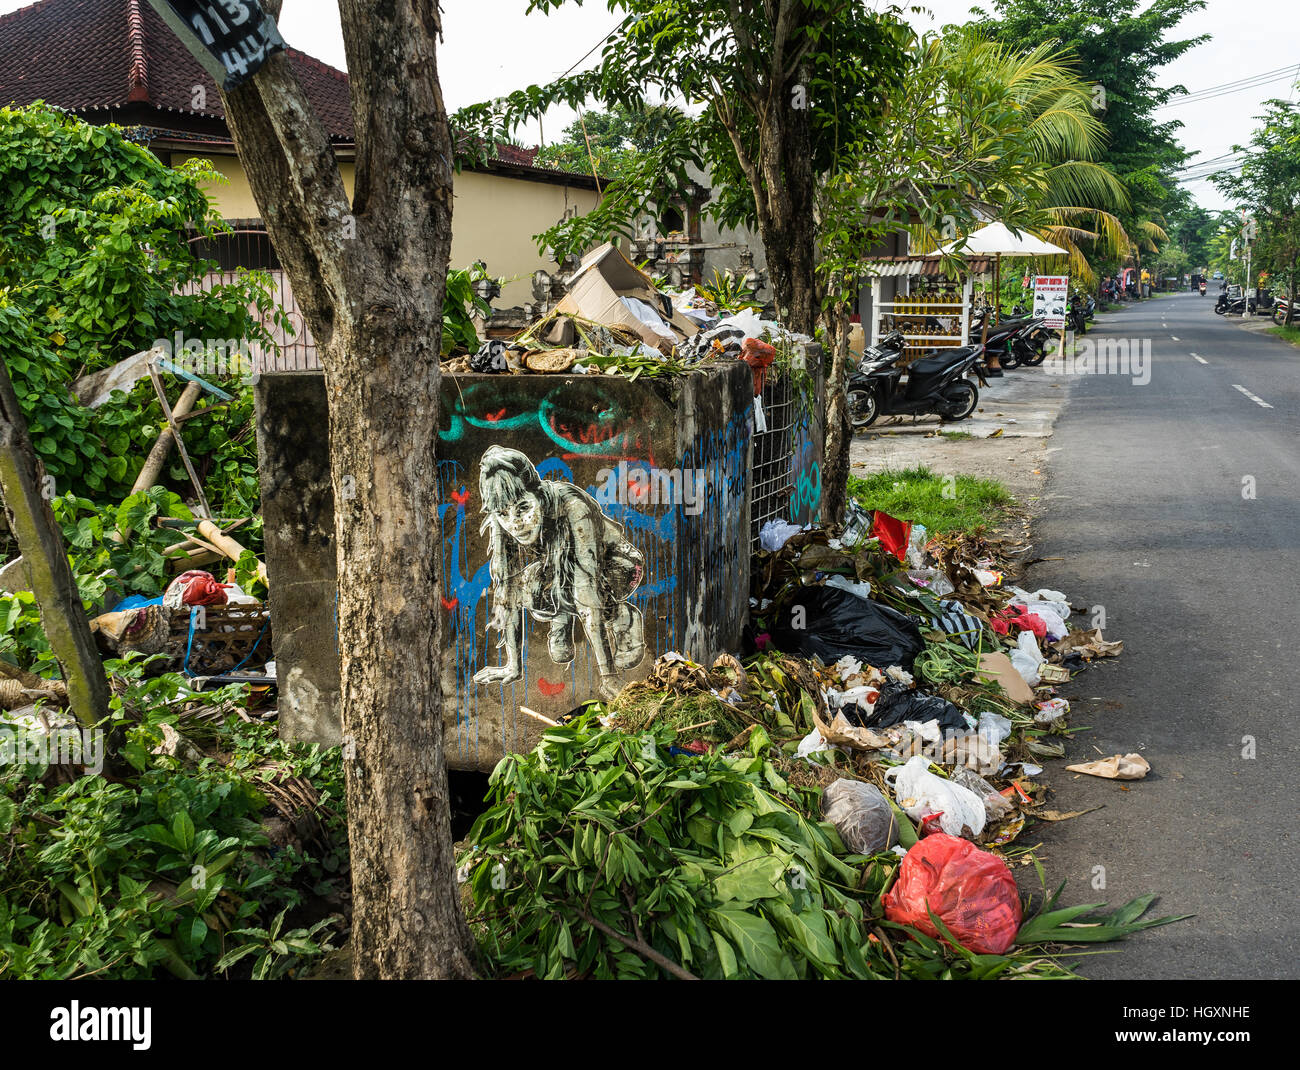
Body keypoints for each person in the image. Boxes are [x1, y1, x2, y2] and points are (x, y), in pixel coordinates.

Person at [472, 446, 646, 698]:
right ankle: (562, 616)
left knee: (581, 590)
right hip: (560, 569)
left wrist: (607, 677)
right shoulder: (503, 519)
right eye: (503, 514)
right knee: (526, 587)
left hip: (616, 566)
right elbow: (507, 589)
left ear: (538, 494)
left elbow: (587, 588)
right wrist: (513, 665)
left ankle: (622, 615)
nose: (515, 523)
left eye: (523, 508)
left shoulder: (573, 507)